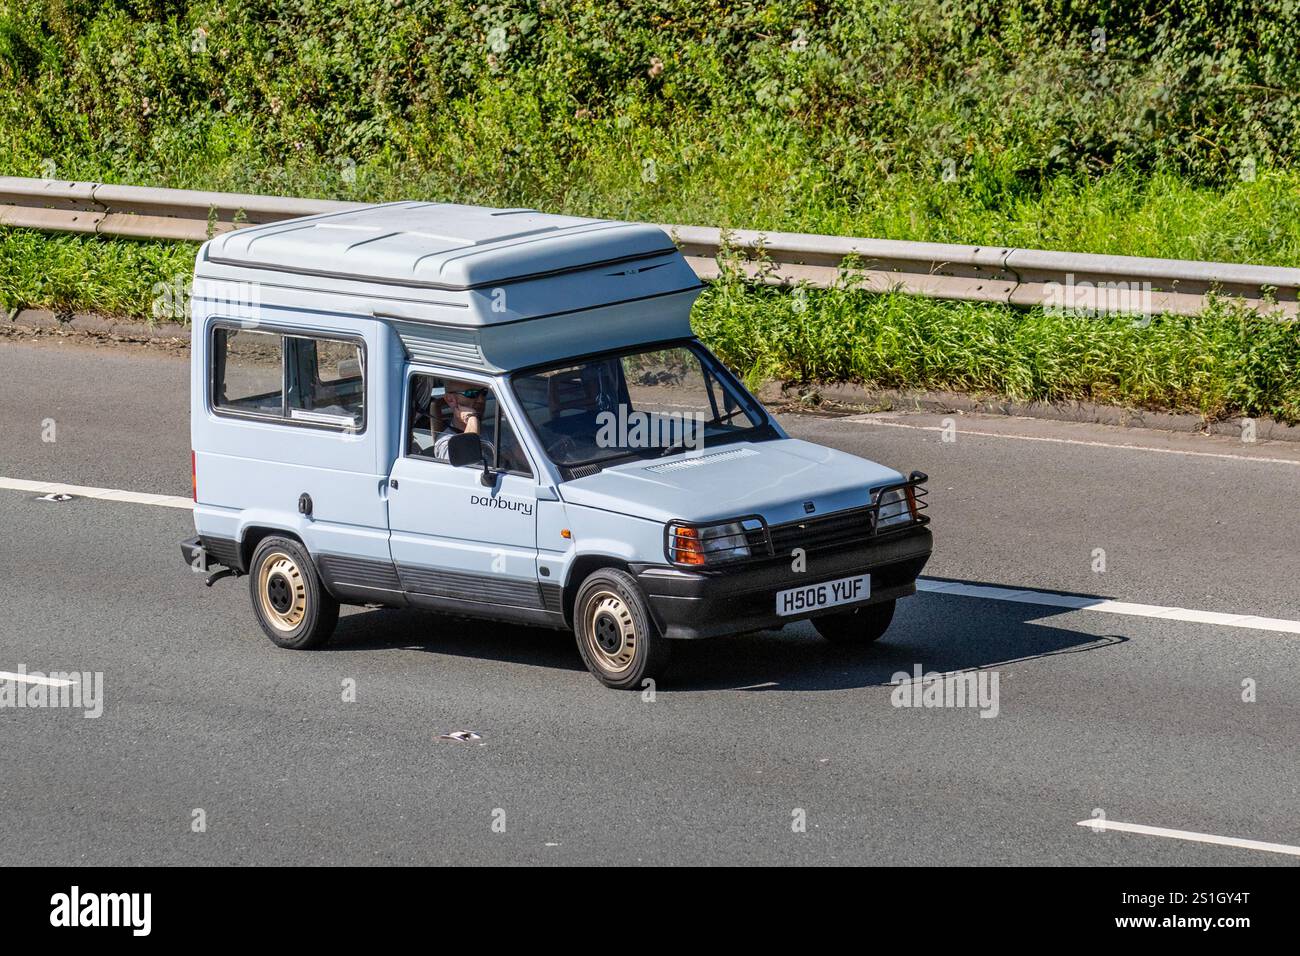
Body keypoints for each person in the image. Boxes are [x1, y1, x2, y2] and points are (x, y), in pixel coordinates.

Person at [433, 380, 495, 462]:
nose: (481, 400)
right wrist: (472, 417)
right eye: (471, 393)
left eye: (484, 392)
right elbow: (466, 459)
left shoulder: (493, 432)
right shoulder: (446, 443)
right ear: (450, 399)